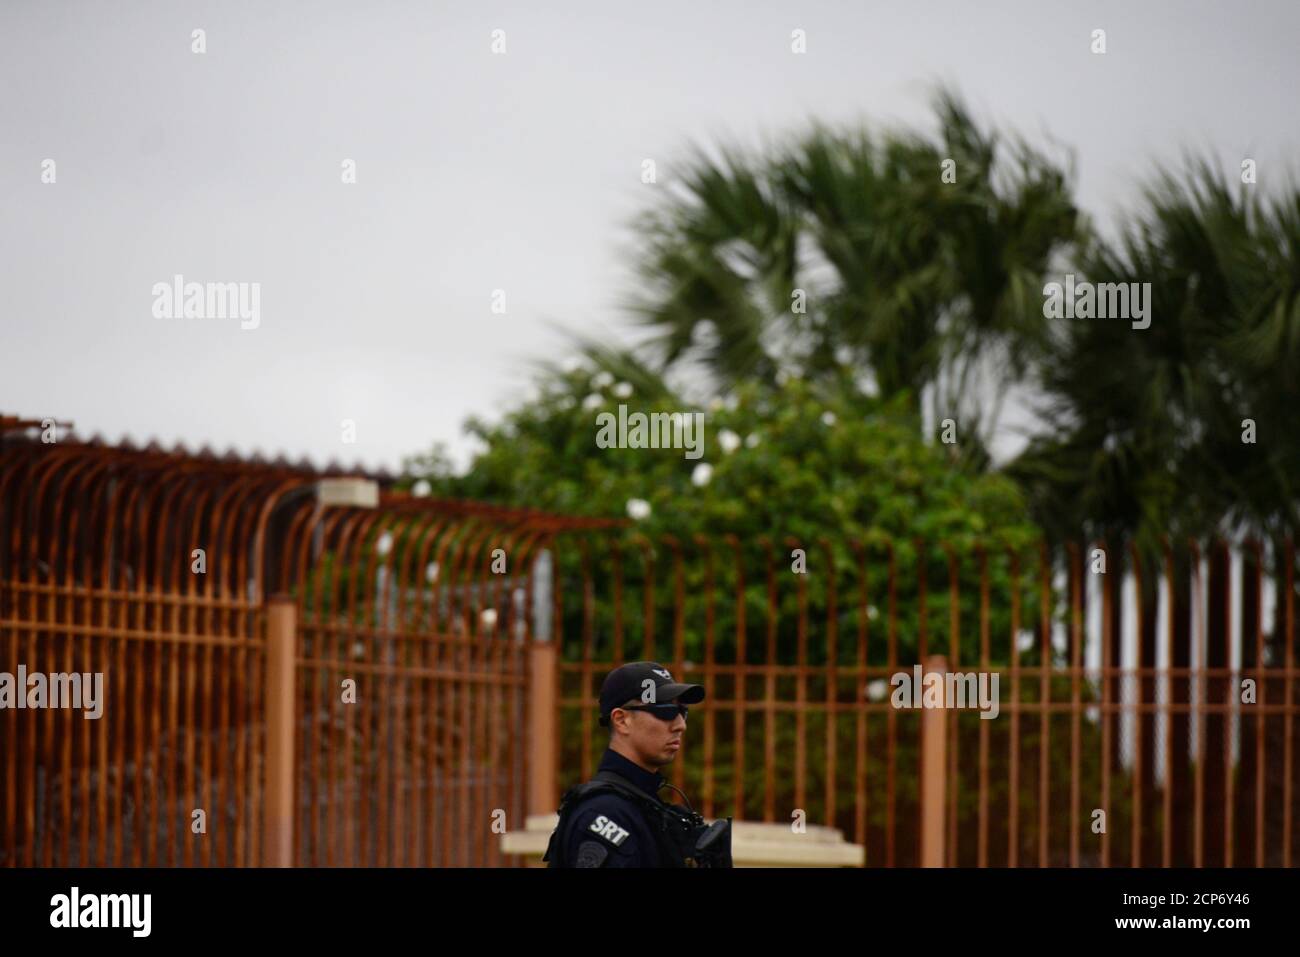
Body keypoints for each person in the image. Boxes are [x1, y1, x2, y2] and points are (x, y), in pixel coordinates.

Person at [543, 661, 732, 868]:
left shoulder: (647, 808)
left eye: (682, 711)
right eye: (665, 710)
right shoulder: (605, 813)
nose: (680, 725)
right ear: (621, 720)